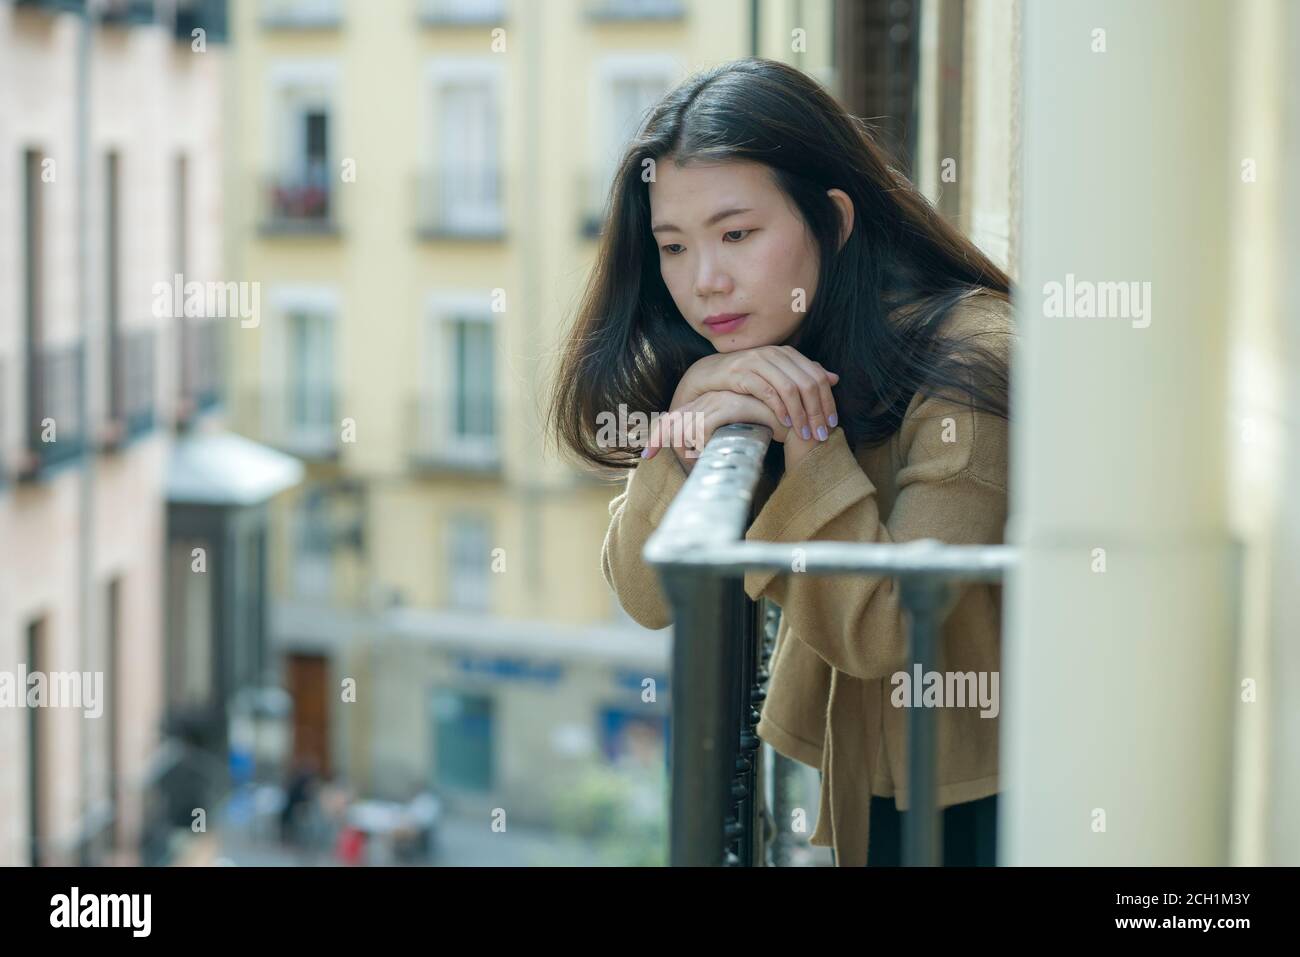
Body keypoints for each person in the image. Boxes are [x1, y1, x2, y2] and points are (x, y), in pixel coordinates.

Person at [548, 58, 1012, 867]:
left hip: (984, 801)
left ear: (832, 220)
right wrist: (689, 415)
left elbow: (893, 629)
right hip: (878, 787)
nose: (705, 281)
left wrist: (808, 432)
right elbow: (647, 591)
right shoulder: (759, 351)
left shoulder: (971, 358)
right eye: (673, 246)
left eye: (737, 234)